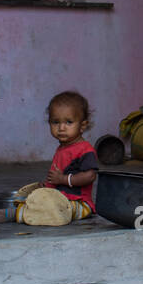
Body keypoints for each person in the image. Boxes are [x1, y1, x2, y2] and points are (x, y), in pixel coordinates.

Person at [42, 90, 98, 219]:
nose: (61, 128)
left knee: (46, 210)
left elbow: (90, 176)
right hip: (62, 200)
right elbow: (56, 176)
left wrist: (62, 179)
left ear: (82, 126)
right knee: (32, 201)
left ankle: (10, 215)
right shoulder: (62, 149)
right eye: (55, 122)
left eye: (68, 122)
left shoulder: (84, 150)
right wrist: (47, 187)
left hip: (79, 203)